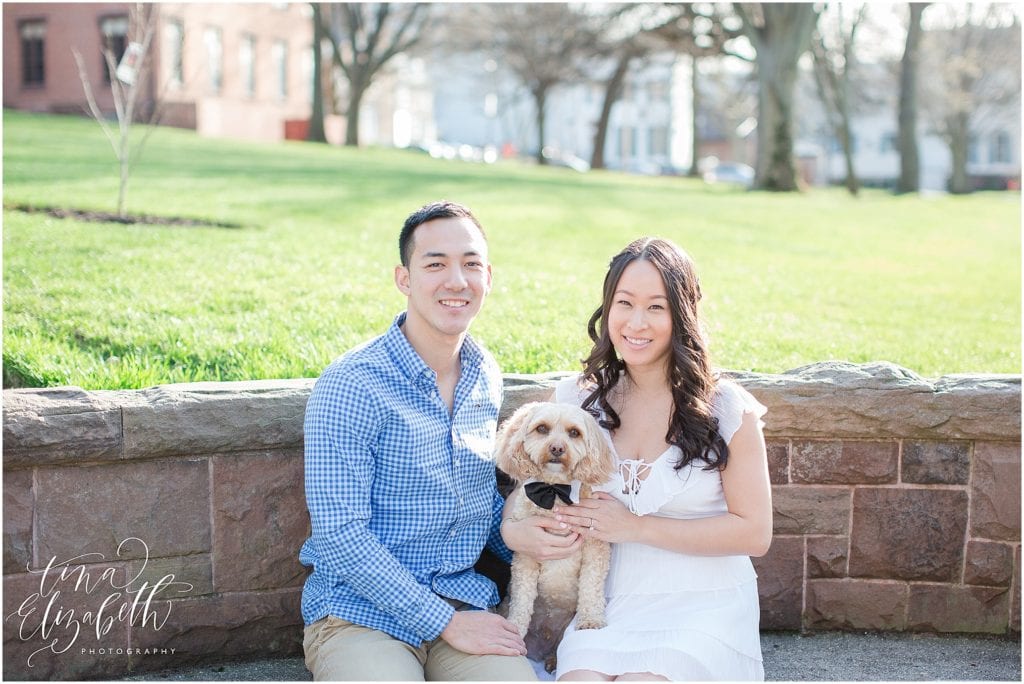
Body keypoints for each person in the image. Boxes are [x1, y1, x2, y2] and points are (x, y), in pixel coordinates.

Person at [502, 237, 773, 681]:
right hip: (605, 602)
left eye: (656, 307)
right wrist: (515, 534)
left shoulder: (725, 408)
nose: (636, 323)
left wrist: (638, 527)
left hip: (702, 601)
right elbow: (527, 494)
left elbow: (755, 532)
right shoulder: (576, 402)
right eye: (624, 303)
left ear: (682, 315)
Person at [299, 200, 537, 681]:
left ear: (488, 277)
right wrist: (442, 621)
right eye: (435, 264)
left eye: (471, 264)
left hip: (465, 607)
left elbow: (477, 498)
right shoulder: (352, 384)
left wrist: (527, 536)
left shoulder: (484, 375)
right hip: (360, 616)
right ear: (404, 279)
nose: (456, 281)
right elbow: (341, 535)